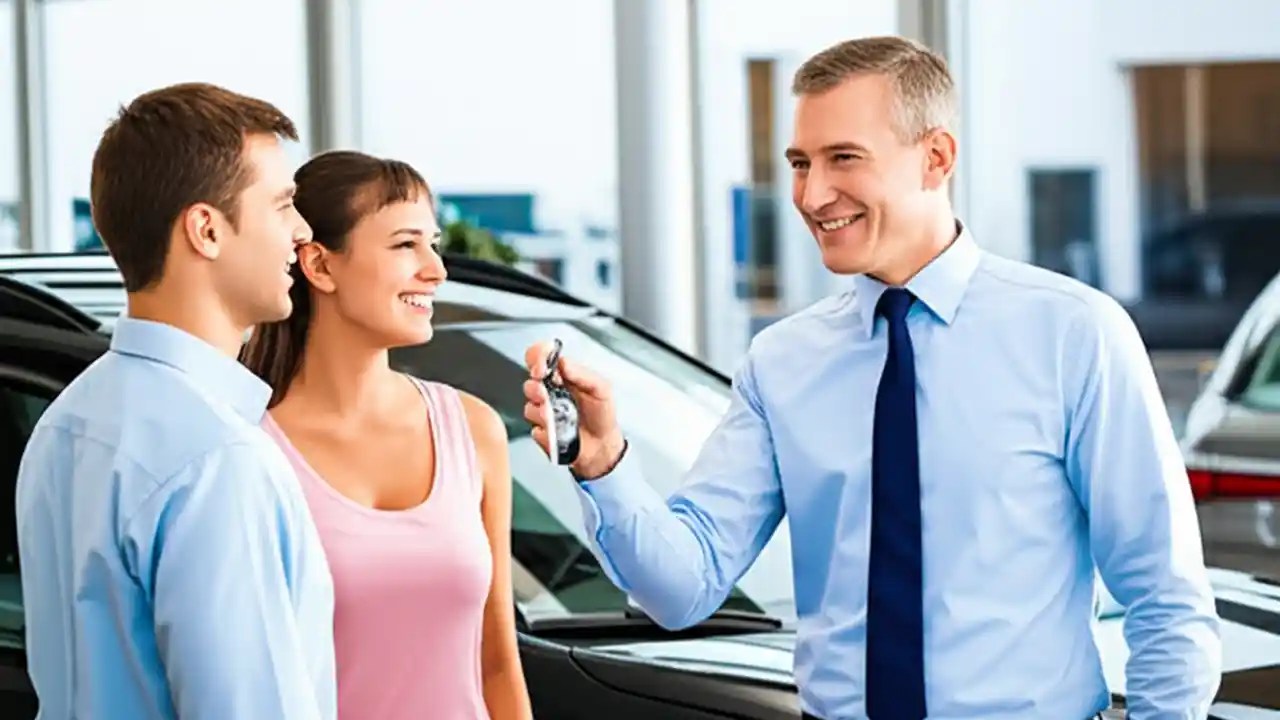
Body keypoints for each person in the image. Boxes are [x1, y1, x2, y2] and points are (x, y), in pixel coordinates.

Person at [522, 36, 1222, 720]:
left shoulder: (1074, 335)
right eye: (799, 162)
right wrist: (604, 462)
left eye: (843, 159)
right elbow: (683, 588)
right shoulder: (784, 362)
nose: (812, 193)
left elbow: (1165, 596)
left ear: (935, 158)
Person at [14, 83, 335, 719]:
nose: (301, 233)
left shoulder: (64, 422)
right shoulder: (218, 459)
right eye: (282, 206)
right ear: (206, 229)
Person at [239, 150, 533, 720]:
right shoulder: (247, 447)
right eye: (405, 245)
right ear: (319, 266)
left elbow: (497, 662)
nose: (436, 269)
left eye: (433, 243)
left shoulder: (473, 431)